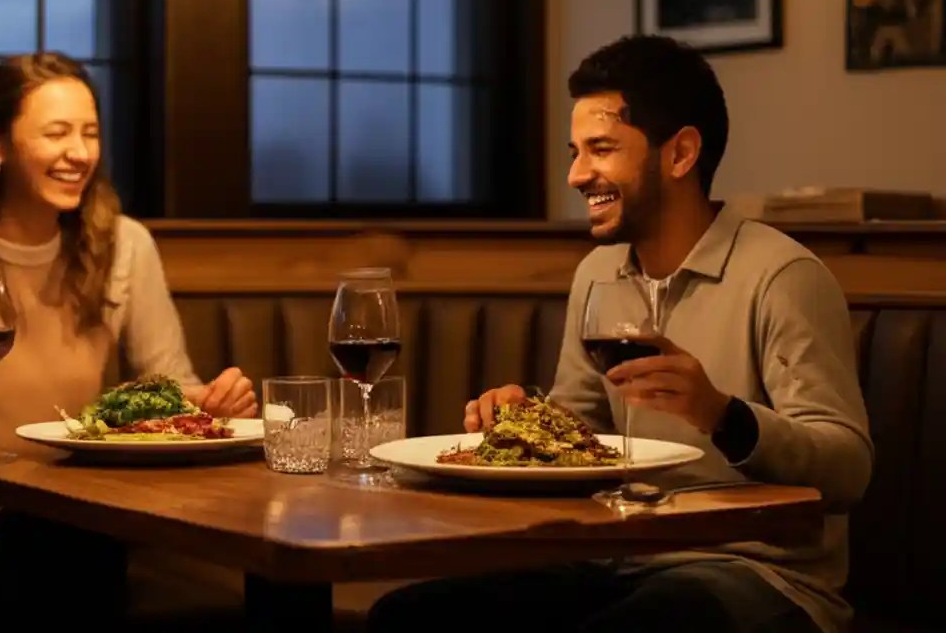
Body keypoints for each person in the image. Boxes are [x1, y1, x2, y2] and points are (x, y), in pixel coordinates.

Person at [368, 35, 873, 633]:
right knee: (410, 616)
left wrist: (721, 413)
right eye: (575, 152)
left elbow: (848, 466)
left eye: (600, 149)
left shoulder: (782, 276)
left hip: (757, 573)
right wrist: (525, 421)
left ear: (681, 153)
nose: (577, 175)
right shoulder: (598, 274)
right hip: (618, 556)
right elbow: (583, 431)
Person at [0, 52, 258, 627]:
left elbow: (170, 383)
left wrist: (209, 404)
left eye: (90, 133)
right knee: (29, 586)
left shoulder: (125, 247)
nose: (80, 152)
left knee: (84, 564)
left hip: (76, 514)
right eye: (57, 132)